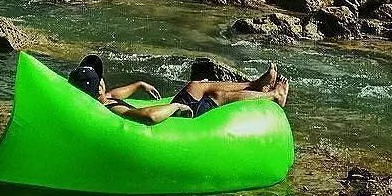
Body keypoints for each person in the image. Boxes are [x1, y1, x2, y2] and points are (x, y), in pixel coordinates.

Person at [67, 54, 289, 124]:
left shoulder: (101, 99)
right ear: (101, 85)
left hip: (177, 112)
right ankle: (272, 95)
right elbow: (151, 117)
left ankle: (254, 85)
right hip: (179, 119)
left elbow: (118, 94)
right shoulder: (112, 110)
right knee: (217, 96)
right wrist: (174, 106)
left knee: (196, 85)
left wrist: (139, 85)